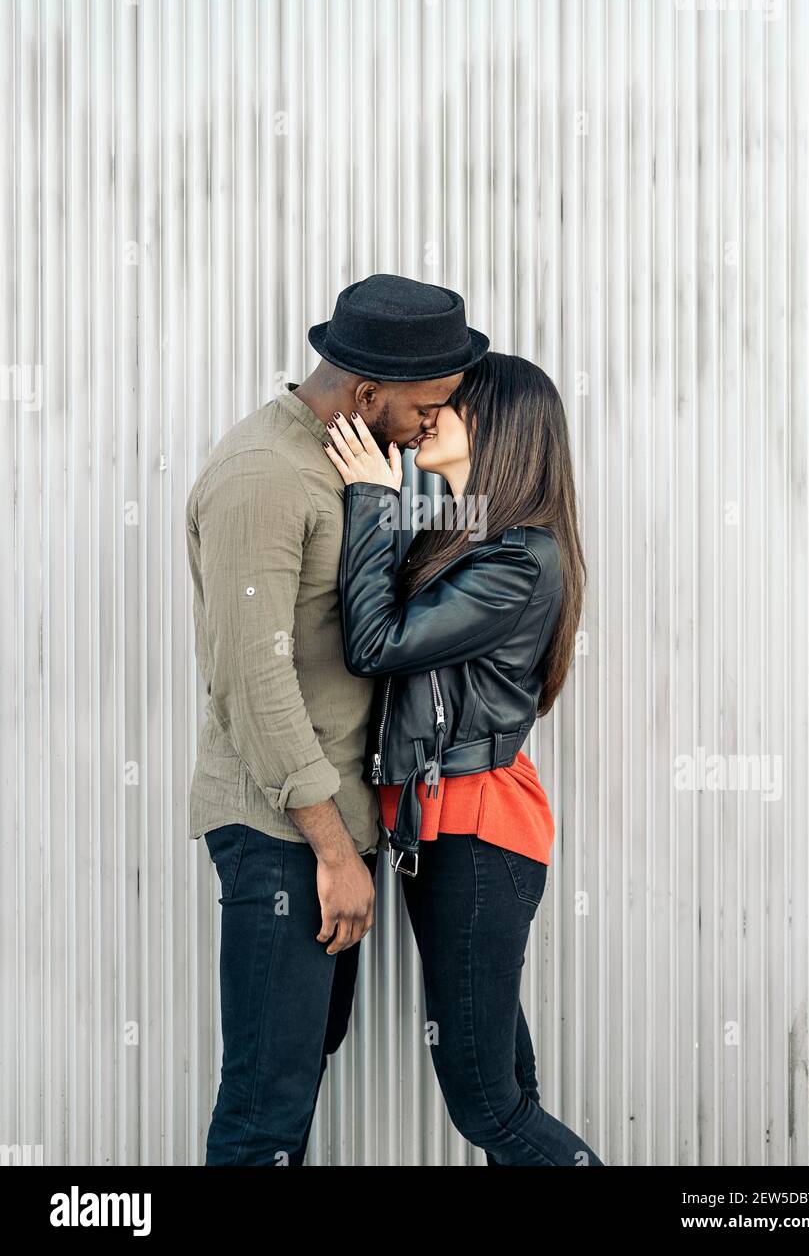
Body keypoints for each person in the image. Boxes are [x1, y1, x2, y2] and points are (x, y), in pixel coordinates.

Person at [186, 273, 489, 1164]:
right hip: (281, 830)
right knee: (264, 1109)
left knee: (301, 1071)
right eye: (426, 405)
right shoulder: (263, 478)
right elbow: (253, 679)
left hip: (331, 830)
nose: (433, 422)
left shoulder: (349, 464)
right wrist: (327, 851)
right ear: (366, 394)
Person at [323, 349, 605, 1166]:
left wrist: (374, 500)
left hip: (480, 838)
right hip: (445, 835)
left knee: (485, 1104)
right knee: (507, 1086)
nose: (430, 412)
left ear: (502, 427)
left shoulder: (519, 559)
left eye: (454, 401)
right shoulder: (473, 536)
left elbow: (378, 643)